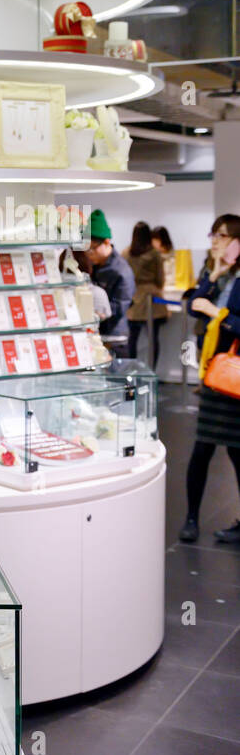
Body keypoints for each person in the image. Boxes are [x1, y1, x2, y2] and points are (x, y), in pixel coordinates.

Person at [179, 213, 240, 543]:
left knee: (235, 452)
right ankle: (190, 518)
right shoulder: (216, 273)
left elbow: (214, 313)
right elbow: (193, 306)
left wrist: (218, 313)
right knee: (203, 449)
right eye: (214, 234)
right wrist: (214, 273)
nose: (215, 240)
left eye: (223, 235)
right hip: (215, 374)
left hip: (234, 375)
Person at [86, 209, 134, 358]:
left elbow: (120, 306)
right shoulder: (94, 265)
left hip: (114, 339)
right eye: (86, 249)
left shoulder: (121, 271)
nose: (89, 253)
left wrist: (92, 312)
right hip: (96, 334)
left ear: (107, 243)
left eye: (93, 249)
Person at [125, 221, 167, 363]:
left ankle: (131, 369)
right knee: (153, 339)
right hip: (151, 296)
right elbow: (160, 277)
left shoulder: (126, 253)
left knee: (132, 338)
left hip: (133, 296)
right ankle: (152, 371)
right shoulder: (154, 253)